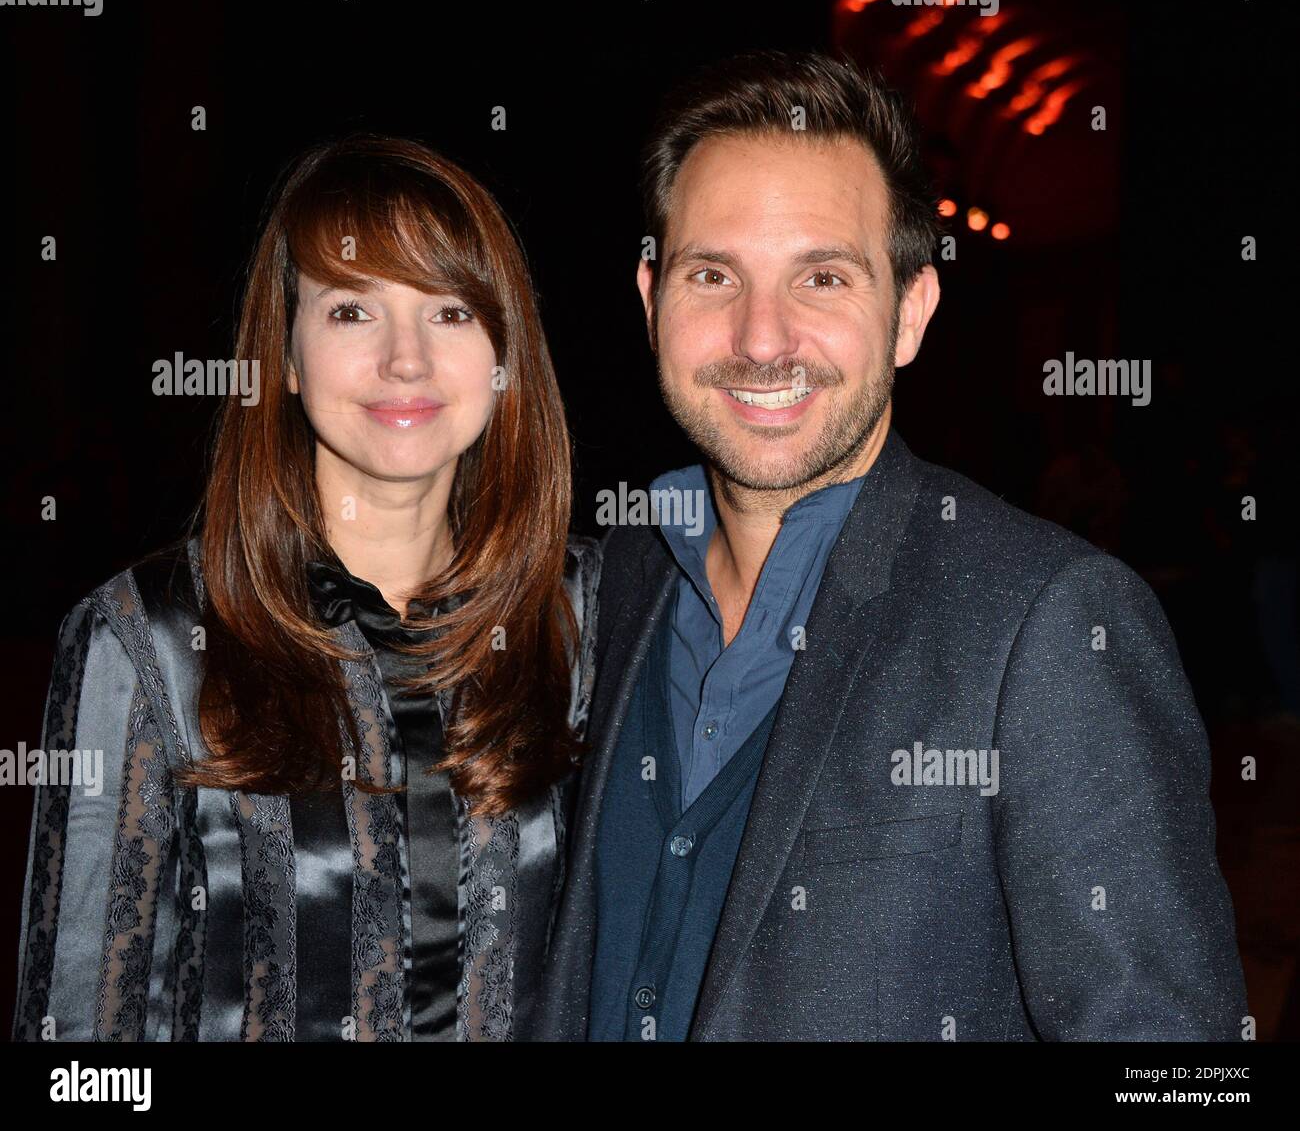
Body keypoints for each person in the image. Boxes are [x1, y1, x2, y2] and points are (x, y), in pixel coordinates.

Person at [539, 50, 1248, 1041]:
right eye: (713, 273)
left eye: (821, 276)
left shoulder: (1050, 623)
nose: (761, 335)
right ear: (652, 298)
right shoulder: (606, 590)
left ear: (909, 310)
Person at [12, 134, 599, 1042]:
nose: (406, 360)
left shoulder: (587, 612)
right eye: (352, 312)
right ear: (283, 356)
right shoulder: (148, 636)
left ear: (503, 353)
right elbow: (78, 1039)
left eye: (449, 311)